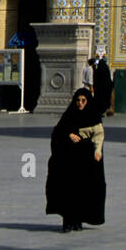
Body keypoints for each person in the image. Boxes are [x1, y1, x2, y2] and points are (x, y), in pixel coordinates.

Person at [45, 88, 106, 232]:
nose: (80, 103)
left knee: (83, 190)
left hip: (86, 159)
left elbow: (99, 135)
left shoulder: (93, 116)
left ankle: (78, 221)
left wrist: (97, 151)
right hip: (69, 159)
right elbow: (58, 132)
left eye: (83, 101)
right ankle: (67, 222)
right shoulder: (69, 115)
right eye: (78, 100)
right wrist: (69, 135)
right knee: (68, 189)